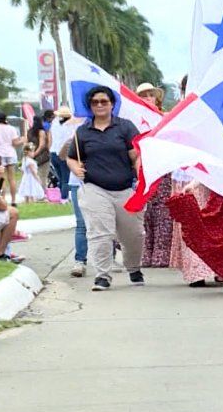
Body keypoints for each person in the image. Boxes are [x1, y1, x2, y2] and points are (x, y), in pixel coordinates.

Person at [64, 85, 145, 291]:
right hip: (94, 188)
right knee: (101, 233)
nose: (99, 105)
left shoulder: (125, 127)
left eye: (104, 101)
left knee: (133, 235)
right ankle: (102, 275)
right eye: (95, 102)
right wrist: (76, 169)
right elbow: (71, 157)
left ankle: (134, 268)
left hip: (125, 188)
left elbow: (136, 155)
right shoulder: (82, 131)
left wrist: (141, 179)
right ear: (89, 106)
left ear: (112, 104)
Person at [136, 84, 173, 269]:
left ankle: (161, 254)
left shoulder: (165, 118)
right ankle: (146, 253)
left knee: (163, 213)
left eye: (151, 95)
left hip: (164, 169)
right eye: (143, 96)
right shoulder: (136, 121)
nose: (148, 98)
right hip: (145, 168)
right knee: (147, 213)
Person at [53, 109, 88, 276]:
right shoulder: (68, 129)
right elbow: (61, 156)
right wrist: (69, 144)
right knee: (81, 223)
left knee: (104, 223)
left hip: (99, 182)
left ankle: (108, 257)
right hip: (76, 183)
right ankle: (80, 260)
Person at [0, 112, 22, 203]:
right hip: (10, 153)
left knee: (1, 178)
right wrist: (22, 140)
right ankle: (13, 200)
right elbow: (15, 143)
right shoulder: (11, 128)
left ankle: (2, 200)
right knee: (11, 178)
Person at [49, 106, 78, 203]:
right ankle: (64, 198)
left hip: (53, 152)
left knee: (60, 177)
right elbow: (71, 139)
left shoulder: (54, 123)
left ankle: (62, 196)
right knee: (66, 177)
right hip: (64, 152)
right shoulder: (69, 126)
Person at [26, 115, 51, 191]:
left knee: (33, 176)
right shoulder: (42, 132)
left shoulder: (29, 131)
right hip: (43, 157)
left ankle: (34, 193)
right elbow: (42, 145)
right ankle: (42, 194)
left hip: (31, 157)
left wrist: (29, 154)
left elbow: (26, 143)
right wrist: (35, 154)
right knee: (42, 176)